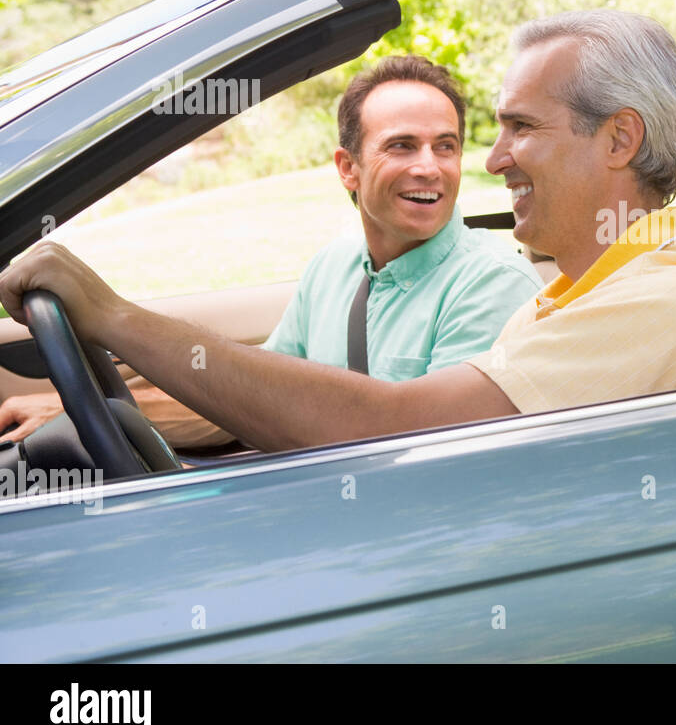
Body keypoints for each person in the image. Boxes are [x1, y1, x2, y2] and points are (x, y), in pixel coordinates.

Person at [0, 10, 676, 452]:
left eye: (519, 127)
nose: (490, 157)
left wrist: (114, 315)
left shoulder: (666, 305)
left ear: (619, 140)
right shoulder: (574, 302)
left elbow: (394, 430)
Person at [0, 55, 541, 446]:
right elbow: (246, 397)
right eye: (402, 145)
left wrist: (112, 318)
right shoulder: (333, 268)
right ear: (347, 167)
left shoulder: (491, 284)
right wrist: (83, 406)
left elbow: (424, 450)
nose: (430, 166)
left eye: (445, 146)